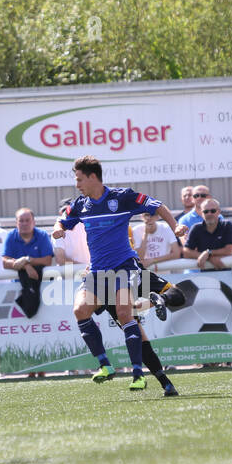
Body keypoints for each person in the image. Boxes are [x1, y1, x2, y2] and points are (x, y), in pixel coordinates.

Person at [52, 154, 183, 389]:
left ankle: (153, 306)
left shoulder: (122, 198)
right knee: (91, 311)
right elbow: (61, 220)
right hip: (98, 276)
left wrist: (176, 227)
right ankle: (127, 370)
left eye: (79, 179)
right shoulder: (82, 204)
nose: (76, 184)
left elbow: (158, 205)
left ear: (93, 177)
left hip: (126, 269)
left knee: (166, 300)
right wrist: (58, 229)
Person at [2, 207, 54, 318]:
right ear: (16, 223)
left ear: (34, 222)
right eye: (21, 220)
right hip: (16, 287)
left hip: (43, 287)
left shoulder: (42, 235)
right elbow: (5, 262)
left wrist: (27, 260)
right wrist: (26, 266)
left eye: (27, 220)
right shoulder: (11, 236)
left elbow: (48, 260)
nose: (24, 223)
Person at [181, 199, 232, 271]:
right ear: (201, 213)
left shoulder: (227, 225)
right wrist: (208, 258)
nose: (209, 214)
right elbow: (186, 252)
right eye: (206, 211)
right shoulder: (196, 228)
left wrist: (208, 253)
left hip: (225, 273)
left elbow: (228, 251)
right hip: (205, 276)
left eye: (213, 211)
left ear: (219, 212)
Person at [51, 197, 90, 267]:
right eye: (64, 212)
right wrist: (85, 268)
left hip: (90, 273)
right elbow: (61, 261)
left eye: (70, 212)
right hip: (69, 274)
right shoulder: (57, 232)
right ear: (60, 213)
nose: (67, 215)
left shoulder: (86, 225)